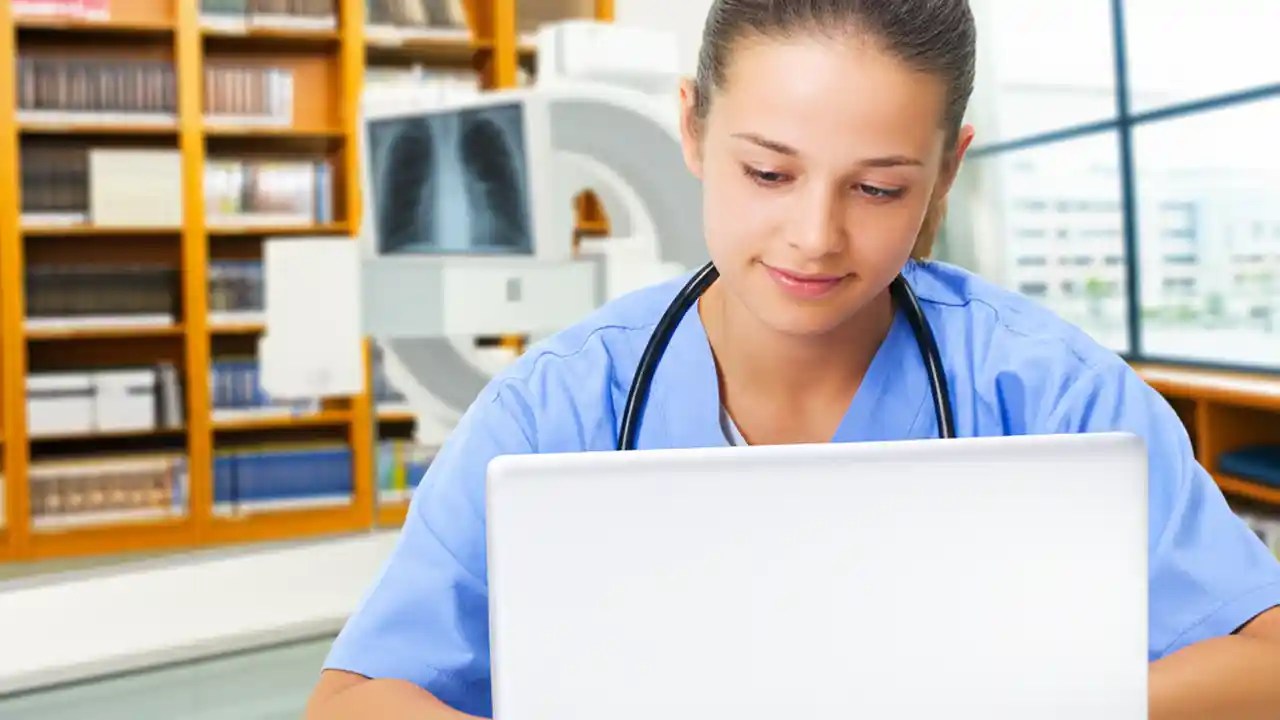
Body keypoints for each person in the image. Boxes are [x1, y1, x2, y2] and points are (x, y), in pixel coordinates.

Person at [307, 1, 1280, 717]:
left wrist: (1023, 705)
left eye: (878, 188)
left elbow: (1265, 661)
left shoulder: (1047, 390)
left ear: (946, 170)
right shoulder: (559, 404)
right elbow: (352, 700)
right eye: (767, 172)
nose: (813, 236)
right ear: (691, 128)